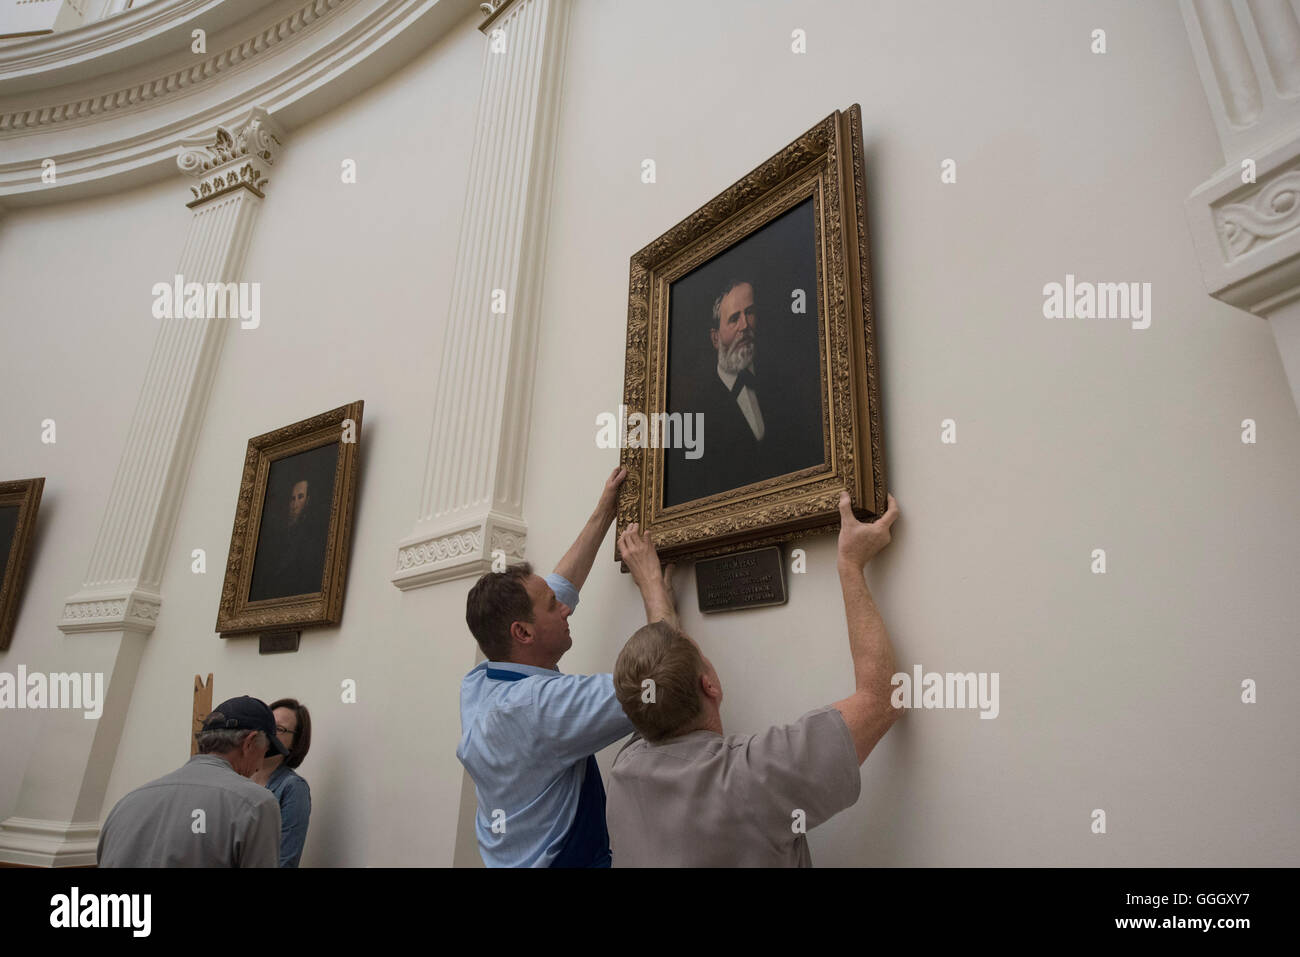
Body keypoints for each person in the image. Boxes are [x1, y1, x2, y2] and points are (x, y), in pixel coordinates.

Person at [606, 490, 902, 866]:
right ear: (709, 684)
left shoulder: (625, 770)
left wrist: (652, 588)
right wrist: (850, 565)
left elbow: (655, 669)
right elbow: (880, 699)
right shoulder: (756, 776)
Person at [457, 466, 677, 867]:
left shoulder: (481, 682)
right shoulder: (540, 708)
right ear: (522, 632)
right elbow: (661, 678)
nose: (565, 608)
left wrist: (603, 513)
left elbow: (557, 587)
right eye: (551, 608)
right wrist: (652, 586)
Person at [665, 278, 824, 505]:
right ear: (715, 338)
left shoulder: (783, 388)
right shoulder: (693, 415)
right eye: (733, 319)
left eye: (749, 313)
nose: (744, 326)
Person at [97, 695, 286, 867]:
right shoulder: (256, 804)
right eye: (265, 753)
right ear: (250, 743)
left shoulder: (125, 804)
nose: (259, 766)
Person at [250, 697, 312, 867]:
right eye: (267, 723)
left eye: (279, 729)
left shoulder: (293, 788)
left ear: (295, 742)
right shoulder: (236, 775)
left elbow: (286, 860)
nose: (269, 731)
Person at [249, 476, 329, 600]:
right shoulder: (283, 534)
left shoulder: (310, 537)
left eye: (300, 497)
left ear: (308, 501)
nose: (294, 504)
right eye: (292, 499)